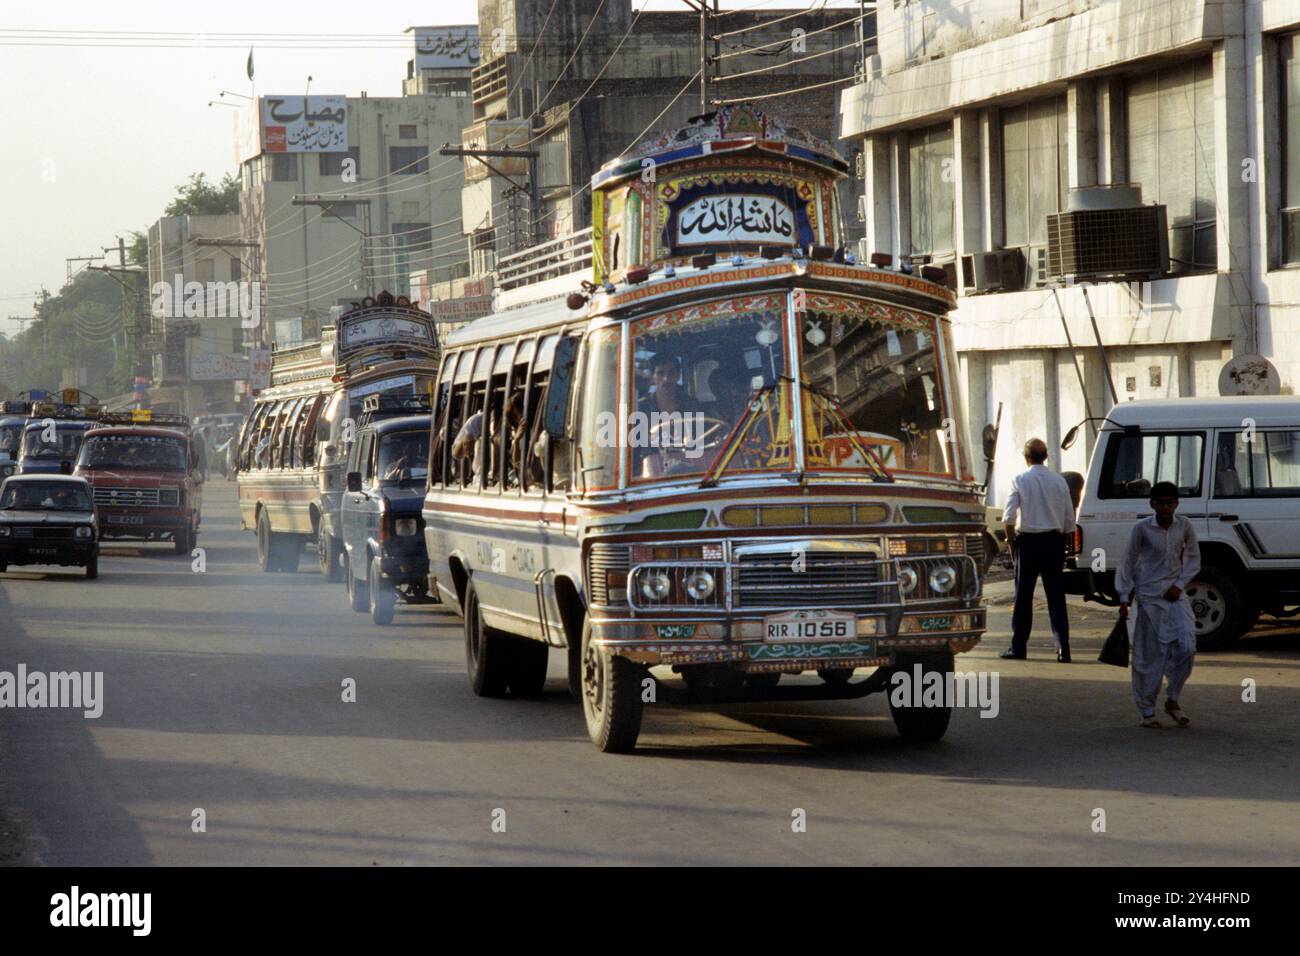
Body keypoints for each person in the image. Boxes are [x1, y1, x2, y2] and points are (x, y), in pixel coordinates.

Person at [1115, 481, 1199, 728]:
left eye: (1169, 502)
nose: (1165, 507)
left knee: (1186, 646)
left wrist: (1179, 584)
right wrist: (1123, 597)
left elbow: (1193, 559)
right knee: (1150, 657)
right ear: (1152, 504)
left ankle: (1172, 698)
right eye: (1160, 503)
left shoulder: (1184, 526)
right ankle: (1147, 711)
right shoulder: (1141, 529)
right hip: (1149, 598)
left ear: (1176, 504)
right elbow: (1128, 563)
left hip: (1175, 595)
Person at [1000, 437, 1077, 662]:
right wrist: (1065, 549)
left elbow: (1008, 517)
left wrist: (1011, 544)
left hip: (1028, 543)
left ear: (1026, 457)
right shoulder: (1059, 482)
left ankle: (1019, 647)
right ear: (1046, 457)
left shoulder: (1019, 480)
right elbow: (1068, 521)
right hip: (1053, 542)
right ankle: (1063, 648)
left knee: (1023, 597)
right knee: (1056, 597)